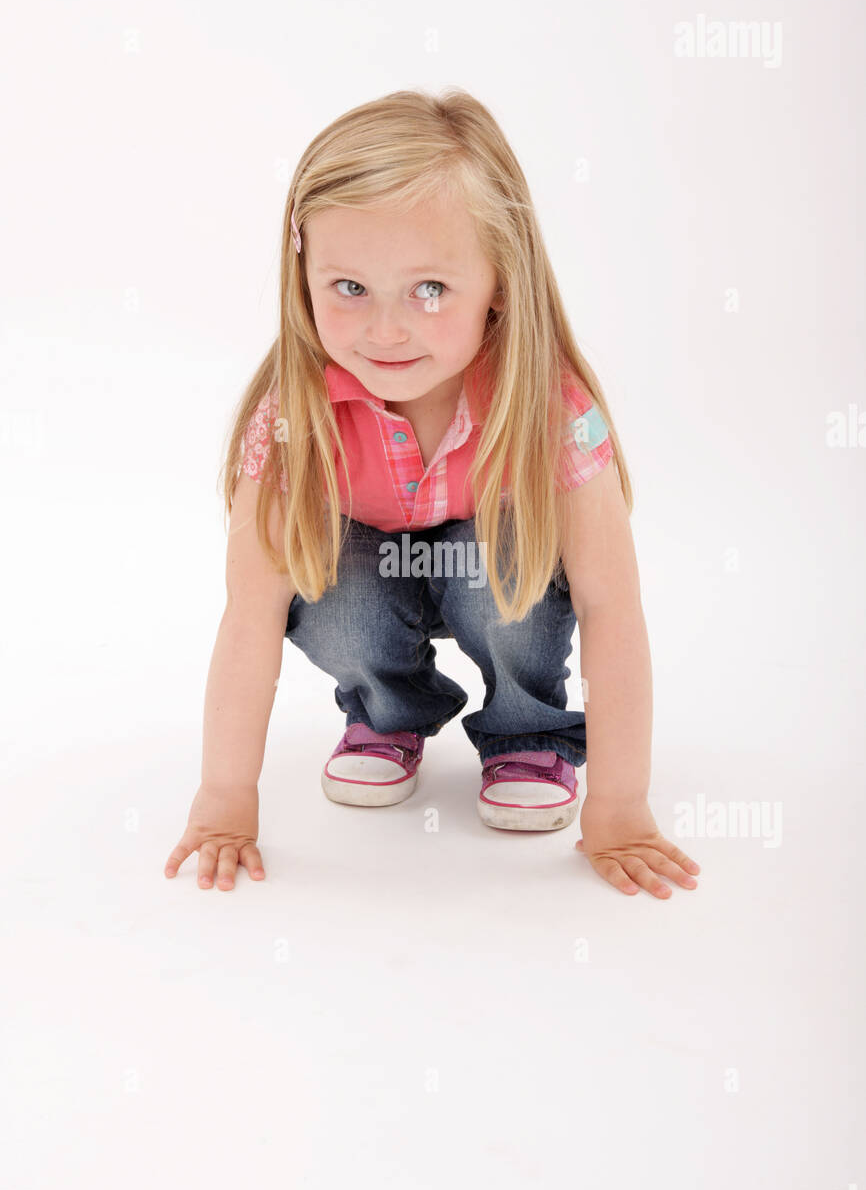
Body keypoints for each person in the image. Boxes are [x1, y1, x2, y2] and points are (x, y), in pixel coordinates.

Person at [164, 88, 700, 902]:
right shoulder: (293, 415)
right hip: (371, 571)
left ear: (499, 281)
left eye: (429, 290)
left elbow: (611, 605)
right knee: (334, 592)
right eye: (349, 287)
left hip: (498, 572)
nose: (385, 330)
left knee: (496, 577)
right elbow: (251, 613)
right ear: (302, 271)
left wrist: (621, 807)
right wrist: (226, 799)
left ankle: (529, 732)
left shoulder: (549, 408)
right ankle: (389, 713)